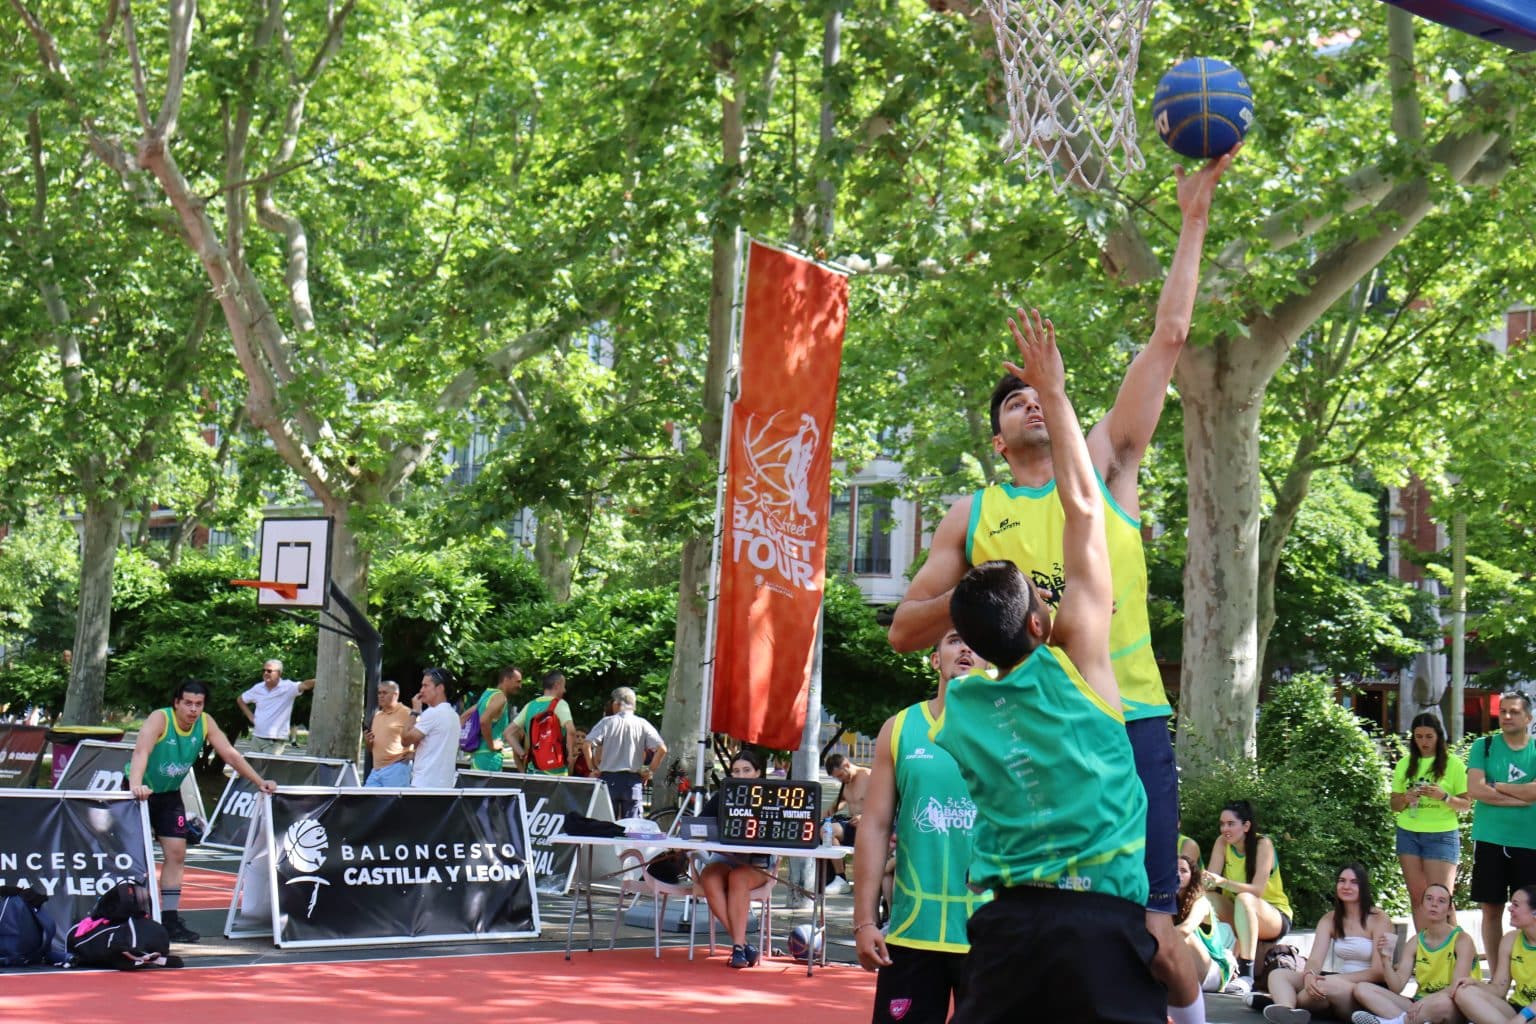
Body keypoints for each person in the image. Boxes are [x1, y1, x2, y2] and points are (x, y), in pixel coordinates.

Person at [888, 152, 1237, 1024]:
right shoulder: (972, 514)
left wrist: (1193, 220)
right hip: (1041, 728)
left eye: (1037, 394)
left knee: (1154, 934)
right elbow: (902, 630)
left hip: (1128, 720)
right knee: (1053, 927)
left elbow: (1169, 338)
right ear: (999, 437)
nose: (1030, 404)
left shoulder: (1107, 466)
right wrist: (982, 593)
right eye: (1012, 402)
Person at [931, 312, 1165, 1022]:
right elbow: (1085, 511)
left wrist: (979, 594)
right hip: (1101, 926)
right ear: (1044, 621)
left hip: (1005, 930)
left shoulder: (958, 714)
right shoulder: (1089, 674)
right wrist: (1057, 393)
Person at [853, 628, 991, 1024]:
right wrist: (865, 920)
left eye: (975, 641)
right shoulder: (899, 729)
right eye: (953, 639)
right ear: (935, 659)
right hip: (913, 932)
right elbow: (875, 826)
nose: (965, 647)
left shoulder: (1012, 730)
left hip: (992, 936)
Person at [125, 679, 277, 943]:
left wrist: (258, 781)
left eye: (198, 704)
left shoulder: (206, 722)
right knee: (134, 856)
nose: (193, 709)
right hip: (138, 793)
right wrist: (137, 786)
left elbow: (230, 754)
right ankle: (128, 914)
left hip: (169, 794)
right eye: (188, 703)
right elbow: (141, 752)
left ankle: (170, 919)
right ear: (177, 703)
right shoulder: (160, 719)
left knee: (177, 853)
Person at [1260, 862, 1393, 1024]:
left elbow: (1379, 971)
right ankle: (1288, 1010)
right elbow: (1315, 960)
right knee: (1278, 975)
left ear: (1363, 887)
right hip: (1336, 981)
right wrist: (1309, 975)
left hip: (1366, 989)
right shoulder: (1330, 918)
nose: (1346, 886)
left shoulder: (1379, 918)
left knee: (1322, 987)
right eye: (1342, 881)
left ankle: (1276, 1001)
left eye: (1354, 882)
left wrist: (1337, 980)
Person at [1466, 692, 1536, 964]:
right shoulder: (1483, 746)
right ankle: (1497, 977)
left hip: (1529, 841)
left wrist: (1497, 786)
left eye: (1514, 711)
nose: (1506, 716)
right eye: (1503, 711)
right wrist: (1520, 797)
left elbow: (1534, 793)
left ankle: (1528, 977)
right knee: (1491, 909)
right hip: (1490, 839)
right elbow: (1475, 790)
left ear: (1528, 717)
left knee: (1530, 913)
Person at [1350, 882, 1479, 1024]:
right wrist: (1385, 960)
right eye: (1429, 899)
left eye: (1441, 901)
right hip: (1419, 1003)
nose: (1434, 904)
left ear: (1449, 910)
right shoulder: (1415, 941)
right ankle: (1411, 1021)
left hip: (1451, 1005)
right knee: (1362, 989)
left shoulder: (1462, 940)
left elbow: (1455, 988)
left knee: (1444, 1003)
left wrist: (1424, 1004)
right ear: (1422, 906)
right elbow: (1397, 987)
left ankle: (1394, 1022)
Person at [1204, 799, 1295, 995]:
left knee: (1245, 899)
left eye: (1230, 824)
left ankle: (1246, 975)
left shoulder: (1264, 845)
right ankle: (1211, 961)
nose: (1224, 829)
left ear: (1246, 826)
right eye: (1222, 824)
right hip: (1240, 910)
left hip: (1272, 915)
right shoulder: (1222, 843)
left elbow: (1257, 891)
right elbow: (1211, 883)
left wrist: (1223, 882)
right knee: (1205, 899)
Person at [696, 747, 776, 969]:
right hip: (724, 859)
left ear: (758, 773)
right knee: (709, 876)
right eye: (736, 771)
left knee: (738, 878)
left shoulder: (769, 798)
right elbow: (699, 826)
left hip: (756, 864)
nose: (740, 776)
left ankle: (738, 948)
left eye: (746, 770)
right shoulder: (720, 796)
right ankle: (743, 944)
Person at [1392, 713, 1472, 931]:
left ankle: (1453, 954)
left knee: (1440, 898)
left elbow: (1466, 804)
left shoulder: (1453, 764)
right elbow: (1394, 805)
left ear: (1439, 737)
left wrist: (1444, 797)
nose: (1424, 742)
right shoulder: (1404, 764)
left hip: (1441, 835)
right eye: (1419, 737)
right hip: (1409, 833)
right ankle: (1425, 954)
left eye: (1429, 736)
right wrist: (1406, 798)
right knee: (1418, 896)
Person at [1451, 884, 1536, 1024]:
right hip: (1514, 1010)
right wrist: (1475, 983)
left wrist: (1523, 1017)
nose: (1510, 908)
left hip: (1528, 1014)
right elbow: (1499, 988)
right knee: (1464, 991)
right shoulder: (1511, 939)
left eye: (1516, 905)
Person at [587, 686, 665, 819]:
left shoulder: (607, 722)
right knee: (631, 828)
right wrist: (649, 770)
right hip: (632, 781)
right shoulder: (642, 723)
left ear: (616, 704)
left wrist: (593, 768)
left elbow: (586, 744)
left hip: (608, 779)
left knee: (605, 825)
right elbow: (662, 749)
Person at [1174, 855, 1236, 995]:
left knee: (1184, 936)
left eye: (1183, 870)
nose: (1177, 874)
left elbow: (1185, 929)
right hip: (1187, 970)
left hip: (1213, 972)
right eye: (1173, 870)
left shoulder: (1201, 902)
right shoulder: (1168, 903)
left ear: (1192, 876)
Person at [237, 658, 315, 754]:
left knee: (268, 768)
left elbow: (305, 685)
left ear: (279, 673)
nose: (265, 673)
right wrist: (251, 717)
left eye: (269, 671)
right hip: (257, 737)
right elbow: (240, 700)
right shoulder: (258, 688)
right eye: (264, 670)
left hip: (274, 741)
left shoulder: (288, 687)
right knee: (252, 768)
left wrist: (321, 679)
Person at [510, 670, 579, 775]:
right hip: (556, 770)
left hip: (533, 769)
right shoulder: (560, 704)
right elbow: (571, 730)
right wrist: (570, 754)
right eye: (564, 686)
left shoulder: (530, 705)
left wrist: (521, 752)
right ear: (557, 685)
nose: (564, 690)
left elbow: (508, 732)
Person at [822, 752, 871, 894]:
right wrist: (829, 811)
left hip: (870, 826)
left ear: (846, 765)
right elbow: (843, 800)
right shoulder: (846, 783)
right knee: (827, 830)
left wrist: (864, 816)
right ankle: (840, 877)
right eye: (836, 778)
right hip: (852, 825)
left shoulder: (868, 776)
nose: (840, 780)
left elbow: (883, 802)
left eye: (840, 776)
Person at [402, 667, 459, 789]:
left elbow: (405, 740)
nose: (421, 690)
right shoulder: (454, 716)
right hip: (445, 785)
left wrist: (415, 711)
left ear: (440, 688)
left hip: (424, 784)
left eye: (425, 686)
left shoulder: (432, 713)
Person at [461, 665, 521, 773]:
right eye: (518, 682)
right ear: (506, 680)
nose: (520, 685)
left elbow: (464, 716)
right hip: (489, 760)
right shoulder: (500, 697)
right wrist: (492, 745)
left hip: (477, 757)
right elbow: (484, 721)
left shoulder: (487, 695)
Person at [362, 680, 414, 787]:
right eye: (379, 693)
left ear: (396, 695)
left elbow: (422, 736)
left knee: (393, 803)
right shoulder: (378, 715)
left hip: (396, 767)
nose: (381, 696)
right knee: (366, 800)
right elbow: (370, 748)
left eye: (385, 693)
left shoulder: (407, 713)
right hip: (376, 770)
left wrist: (414, 754)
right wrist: (368, 741)